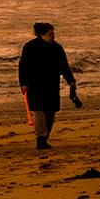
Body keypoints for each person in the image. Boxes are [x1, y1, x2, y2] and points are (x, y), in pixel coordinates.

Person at [16, 20, 80, 151]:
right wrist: (23, 83)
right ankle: (40, 138)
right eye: (50, 34)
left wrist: (71, 81)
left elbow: (64, 66)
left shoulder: (57, 48)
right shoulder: (30, 47)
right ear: (42, 34)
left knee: (50, 112)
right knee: (39, 111)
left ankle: (44, 138)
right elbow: (23, 66)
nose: (53, 36)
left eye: (53, 34)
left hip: (52, 83)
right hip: (35, 84)